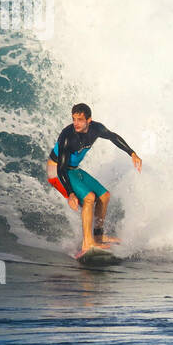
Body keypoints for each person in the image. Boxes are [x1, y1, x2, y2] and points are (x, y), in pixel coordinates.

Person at [47, 102, 141, 254]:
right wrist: (70, 193)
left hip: (73, 170)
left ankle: (98, 236)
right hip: (57, 171)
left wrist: (132, 153)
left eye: (80, 120)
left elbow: (113, 137)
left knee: (104, 196)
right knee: (90, 198)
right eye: (73, 119)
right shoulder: (67, 136)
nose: (75, 123)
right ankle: (87, 243)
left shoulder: (96, 129)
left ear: (88, 120)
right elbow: (61, 169)